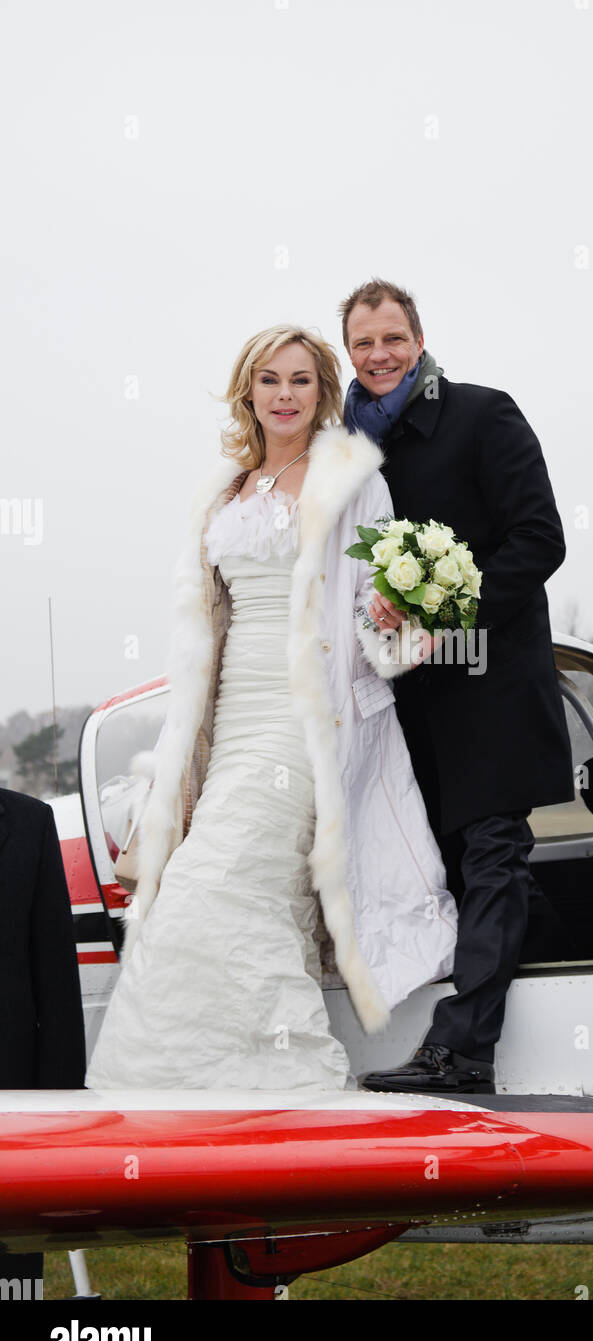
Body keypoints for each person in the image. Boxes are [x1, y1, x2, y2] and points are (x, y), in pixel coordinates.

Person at [85, 325, 457, 1092]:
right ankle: (222, 1095)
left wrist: (398, 620)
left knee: (209, 886)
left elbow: (373, 612)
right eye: (270, 381)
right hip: (227, 721)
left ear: (323, 391)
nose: (284, 395)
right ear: (248, 391)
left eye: (301, 381)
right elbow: (201, 627)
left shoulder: (353, 479)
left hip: (305, 722)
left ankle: (287, 1083)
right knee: (238, 895)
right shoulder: (223, 491)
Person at [340, 279, 573, 1095]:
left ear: (419, 337)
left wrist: (448, 607)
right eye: (363, 343)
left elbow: (541, 538)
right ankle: (543, 972)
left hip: (492, 686)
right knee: (445, 867)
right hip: (407, 700)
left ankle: (463, 1052)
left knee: (492, 854)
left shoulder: (482, 413)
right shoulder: (346, 447)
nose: (379, 355)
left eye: (392, 338)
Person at [0, 788, 86, 1294]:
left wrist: (61, 1117)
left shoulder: (31, 821)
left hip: (11, 1106)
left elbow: (55, 979)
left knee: (11, 1282)